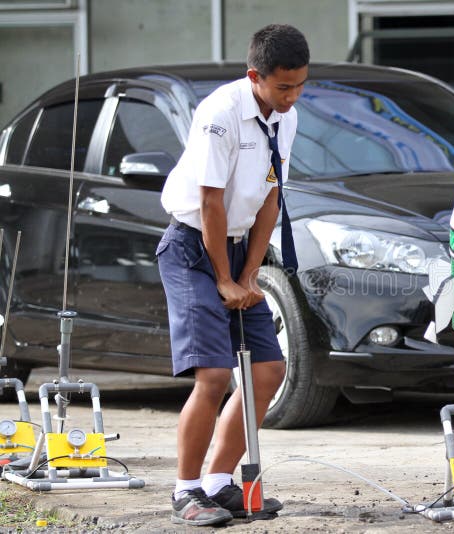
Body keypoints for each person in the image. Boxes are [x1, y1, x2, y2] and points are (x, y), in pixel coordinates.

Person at [156, 24, 308, 526]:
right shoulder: (220, 113)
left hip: (239, 248)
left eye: (300, 85)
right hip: (191, 246)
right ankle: (185, 490)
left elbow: (270, 198)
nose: (292, 97)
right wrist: (224, 278)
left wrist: (249, 276)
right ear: (255, 77)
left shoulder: (286, 118)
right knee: (215, 373)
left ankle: (221, 482)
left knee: (269, 370)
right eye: (283, 87)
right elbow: (210, 200)